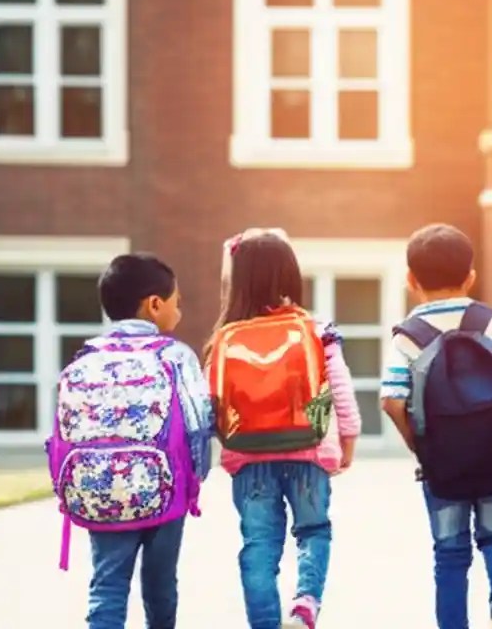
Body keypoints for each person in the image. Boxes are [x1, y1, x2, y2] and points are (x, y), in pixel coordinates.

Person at [206, 229, 362, 629]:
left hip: (249, 457)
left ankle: (265, 623)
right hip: (308, 451)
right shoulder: (315, 328)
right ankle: (305, 604)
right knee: (314, 531)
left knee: (258, 546)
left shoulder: (225, 337)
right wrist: (346, 439)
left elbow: (212, 403)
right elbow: (338, 389)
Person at [50, 253, 214, 629]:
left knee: (107, 586)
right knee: (159, 586)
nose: (180, 312)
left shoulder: (85, 359)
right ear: (155, 305)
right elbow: (198, 423)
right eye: (178, 303)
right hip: (164, 492)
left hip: (98, 492)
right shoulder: (174, 356)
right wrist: (194, 481)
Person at [380, 223, 492, 629]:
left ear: (411, 280)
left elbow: (391, 400)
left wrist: (419, 445)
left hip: (442, 461)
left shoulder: (407, 336)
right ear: (471, 276)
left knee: (450, 552)